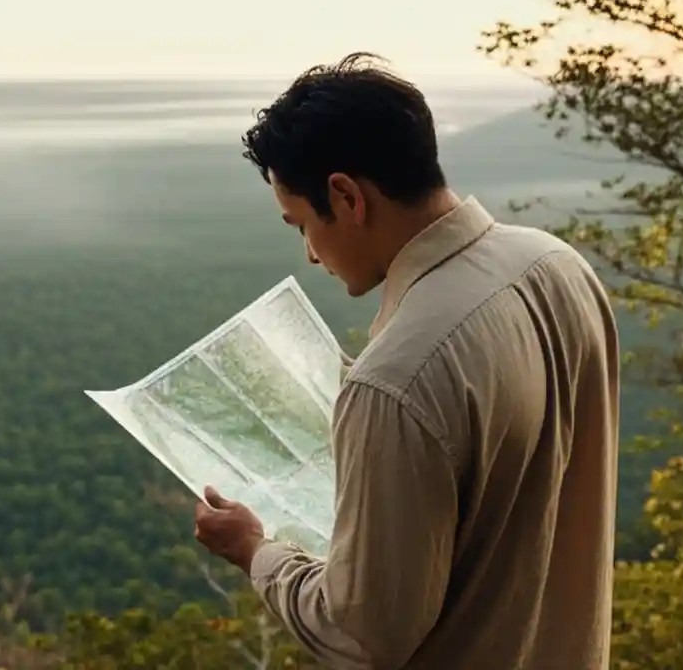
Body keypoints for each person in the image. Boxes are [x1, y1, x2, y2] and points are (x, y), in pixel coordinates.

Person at [193, 52, 621, 669]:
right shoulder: (556, 265)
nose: (310, 254)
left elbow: (362, 636)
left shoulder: (396, 380)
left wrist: (254, 550)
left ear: (345, 196)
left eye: (301, 224)